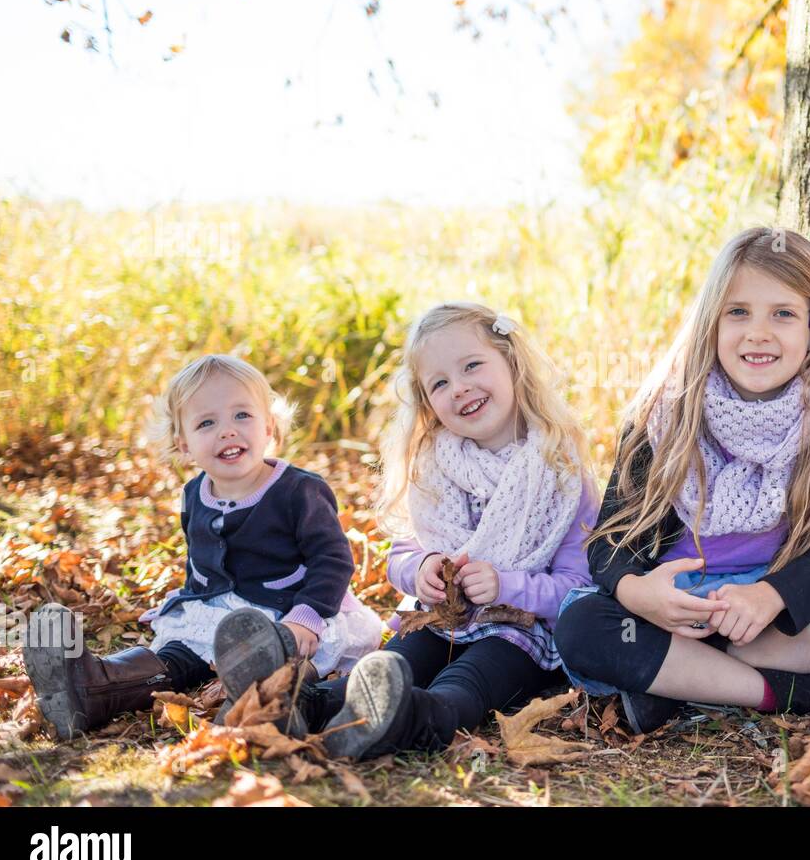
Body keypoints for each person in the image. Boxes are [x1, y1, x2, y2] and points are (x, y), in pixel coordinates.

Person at [555, 227, 810, 735]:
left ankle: (683, 684)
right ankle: (795, 692)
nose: (758, 333)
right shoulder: (663, 416)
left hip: (770, 613)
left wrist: (772, 595)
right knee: (582, 627)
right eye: (739, 312)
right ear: (711, 321)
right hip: (673, 607)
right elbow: (609, 541)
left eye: (783, 314)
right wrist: (639, 593)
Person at [218, 303, 598, 760]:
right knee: (394, 664)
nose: (459, 388)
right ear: (425, 401)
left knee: (469, 679)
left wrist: (506, 585)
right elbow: (400, 553)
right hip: (439, 618)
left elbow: (578, 589)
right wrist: (420, 569)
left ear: (513, 363)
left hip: (518, 632)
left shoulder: (560, 473)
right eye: (439, 383)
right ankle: (292, 704)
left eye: (472, 365)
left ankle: (412, 718)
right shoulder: (434, 466)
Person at [24, 354, 383, 739]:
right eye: (207, 422)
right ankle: (95, 687)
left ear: (269, 426)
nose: (227, 431)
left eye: (242, 415)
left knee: (282, 651)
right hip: (218, 609)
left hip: (291, 611)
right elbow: (202, 561)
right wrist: (186, 602)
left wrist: (306, 615)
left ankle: (282, 695)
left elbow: (332, 560)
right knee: (179, 655)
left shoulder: (299, 490)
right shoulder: (195, 492)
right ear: (184, 444)